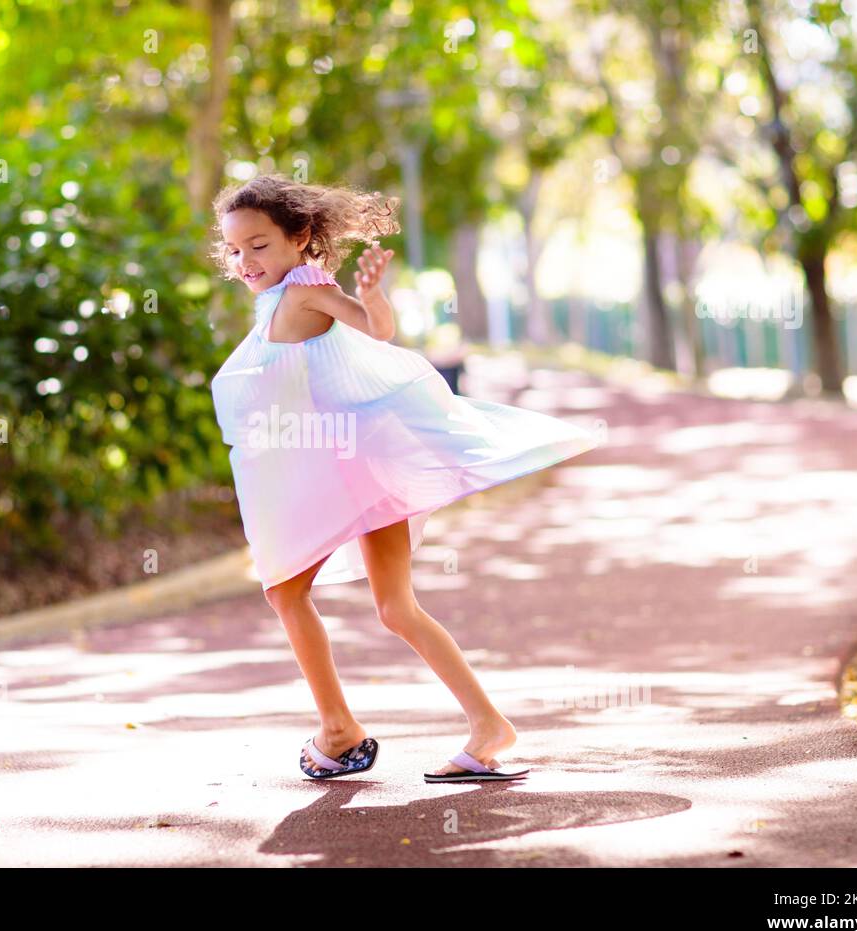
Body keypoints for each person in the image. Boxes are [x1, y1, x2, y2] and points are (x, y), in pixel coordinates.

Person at [208, 173, 601, 782]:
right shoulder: (277, 300)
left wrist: (373, 296)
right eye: (234, 250)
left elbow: (374, 328)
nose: (245, 260)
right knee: (392, 607)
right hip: (350, 467)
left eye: (259, 246)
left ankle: (340, 729)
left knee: (290, 592)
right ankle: (484, 727)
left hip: (355, 469)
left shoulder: (305, 291)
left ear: (300, 237)